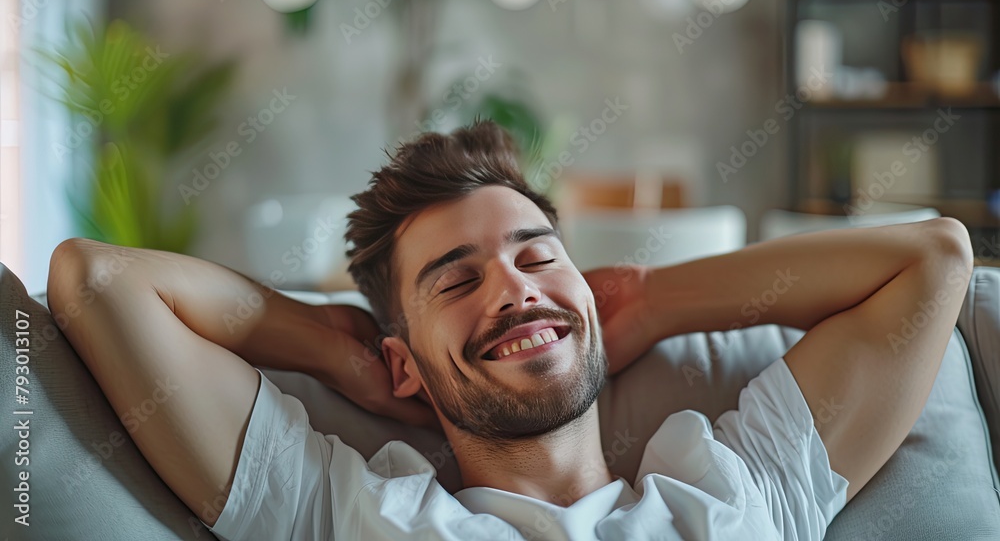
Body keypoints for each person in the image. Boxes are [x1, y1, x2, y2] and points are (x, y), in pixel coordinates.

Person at [47, 120, 974, 540]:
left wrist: (648, 302)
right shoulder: (343, 514)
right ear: (403, 362)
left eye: (537, 258)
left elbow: (935, 260)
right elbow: (97, 281)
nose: (514, 290)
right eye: (457, 279)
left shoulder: (741, 495)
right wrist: (341, 353)